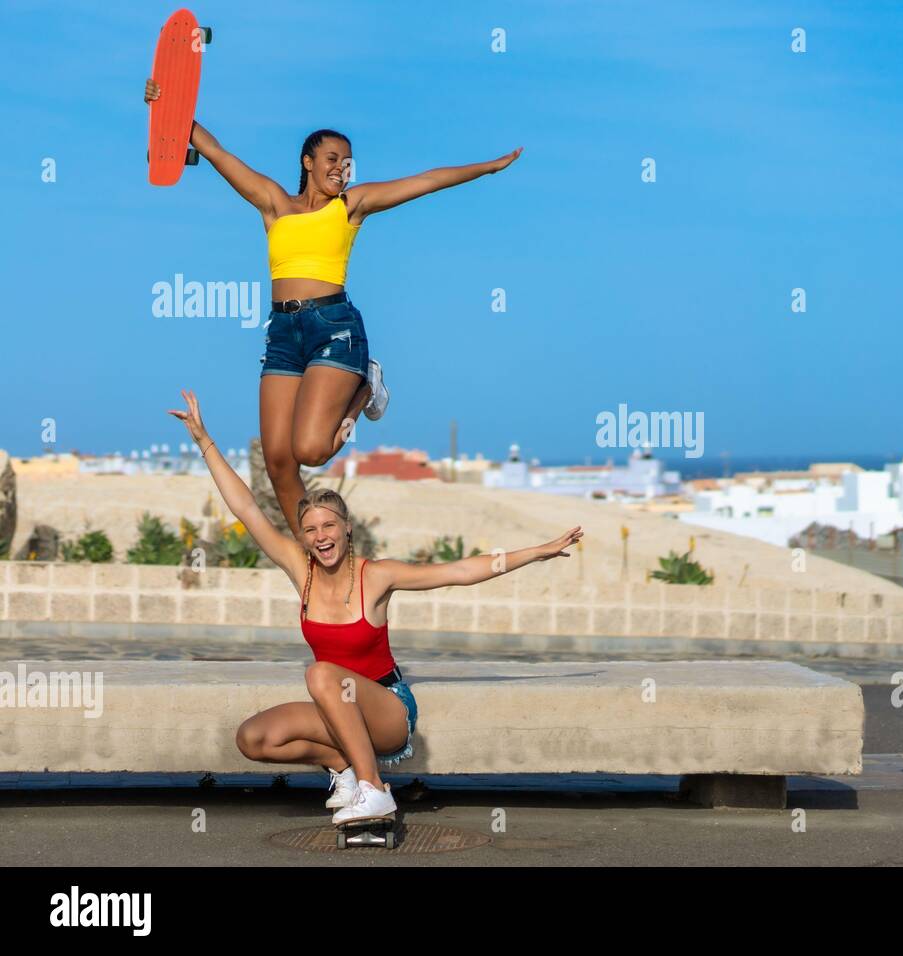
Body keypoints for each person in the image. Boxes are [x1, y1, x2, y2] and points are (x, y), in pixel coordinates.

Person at [168, 389, 581, 823]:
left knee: (321, 674)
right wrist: (203, 440)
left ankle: (374, 789)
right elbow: (248, 509)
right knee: (253, 738)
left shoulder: (377, 576)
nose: (320, 536)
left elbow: (460, 570)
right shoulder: (300, 570)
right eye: (310, 529)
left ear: (347, 529)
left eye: (329, 525)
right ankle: (344, 769)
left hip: (387, 709)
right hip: (337, 704)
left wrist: (537, 551)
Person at [144, 78, 521, 534]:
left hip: (333, 328)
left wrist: (487, 168)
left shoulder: (350, 206)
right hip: (283, 335)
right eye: (332, 159)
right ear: (307, 162)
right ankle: (312, 556)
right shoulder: (274, 203)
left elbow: (425, 181)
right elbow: (217, 152)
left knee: (312, 451)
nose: (342, 168)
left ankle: (366, 386)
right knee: (279, 461)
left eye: (347, 162)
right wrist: (167, 104)